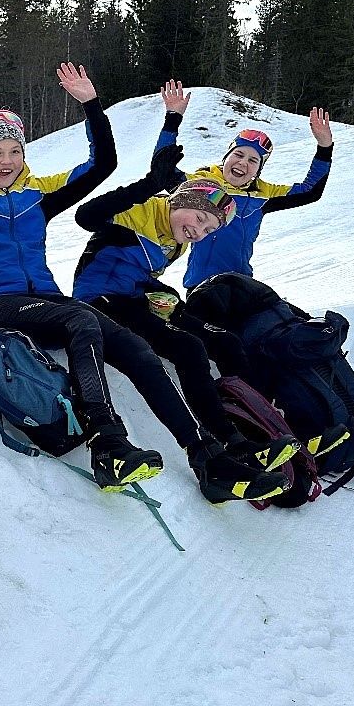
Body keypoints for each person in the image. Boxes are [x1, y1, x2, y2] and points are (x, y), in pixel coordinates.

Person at [0, 64, 176, 490]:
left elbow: (102, 164)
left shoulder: (39, 194)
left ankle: (206, 454)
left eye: (14, 151)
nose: (6, 161)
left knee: (134, 347)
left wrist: (91, 105)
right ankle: (108, 441)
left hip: (48, 301)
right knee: (79, 318)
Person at [71, 142, 295, 503]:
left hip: (135, 298)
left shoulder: (177, 238)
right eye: (201, 219)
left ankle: (246, 433)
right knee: (185, 347)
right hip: (100, 300)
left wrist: (162, 293)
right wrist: (148, 184)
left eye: (209, 230)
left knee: (221, 341)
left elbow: (141, 272)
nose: (200, 232)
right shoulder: (142, 210)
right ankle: (219, 447)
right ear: (184, 201)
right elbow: (86, 216)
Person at [151, 81, 334, 291]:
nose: (243, 163)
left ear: (258, 170)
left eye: (253, 160)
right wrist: (173, 118)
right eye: (238, 154)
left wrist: (324, 147)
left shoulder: (264, 195)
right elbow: (162, 169)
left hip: (241, 286)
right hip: (201, 287)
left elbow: (311, 191)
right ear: (226, 158)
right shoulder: (201, 185)